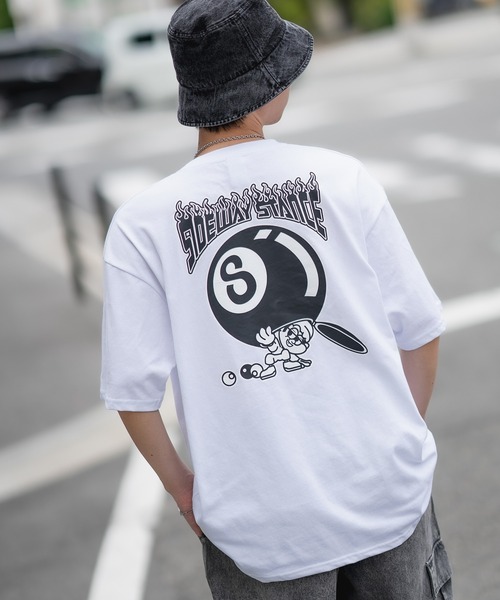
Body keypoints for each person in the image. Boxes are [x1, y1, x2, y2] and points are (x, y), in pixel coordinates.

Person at [100, 0, 453, 598]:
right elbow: (419, 330)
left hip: (258, 529)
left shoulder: (141, 225)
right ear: (265, 86)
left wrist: (185, 493)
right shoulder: (342, 179)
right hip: (386, 496)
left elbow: (132, 395)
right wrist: (397, 436)